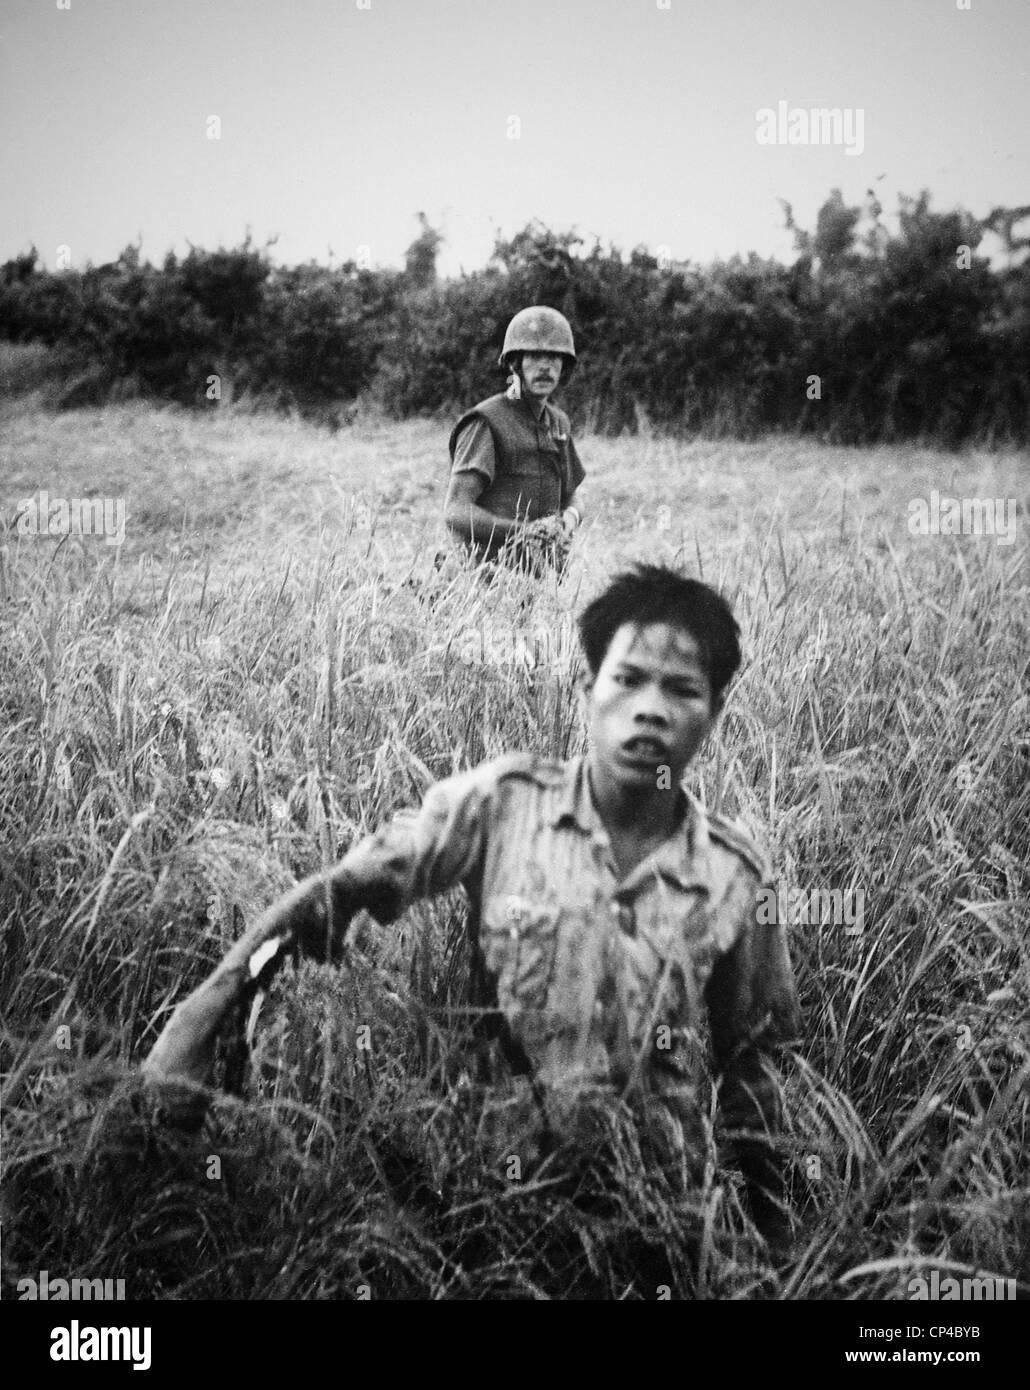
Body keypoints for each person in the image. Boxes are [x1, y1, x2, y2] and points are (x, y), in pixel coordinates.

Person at [144, 565, 800, 1256]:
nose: (651, 709)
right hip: (492, 1213)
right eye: (628, 679)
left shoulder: (735, 876)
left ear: (715, 712)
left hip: (653, 1226)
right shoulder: (501, 806)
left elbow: (758, 1070)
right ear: (587, 691)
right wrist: (206, 1010)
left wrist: (773, 1247)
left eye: (681, 690)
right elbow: (343, 890)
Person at [442, 306, 586, 575]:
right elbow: (456, 511)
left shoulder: (558, 423)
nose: (545, 366)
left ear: (564, 365)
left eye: (555, 357)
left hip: (539, 579)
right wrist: (525, 532)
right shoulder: (486, 422)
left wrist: (570, 518)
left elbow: (572, 496)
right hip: (482, 579)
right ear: (514, 363)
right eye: (534, 356)